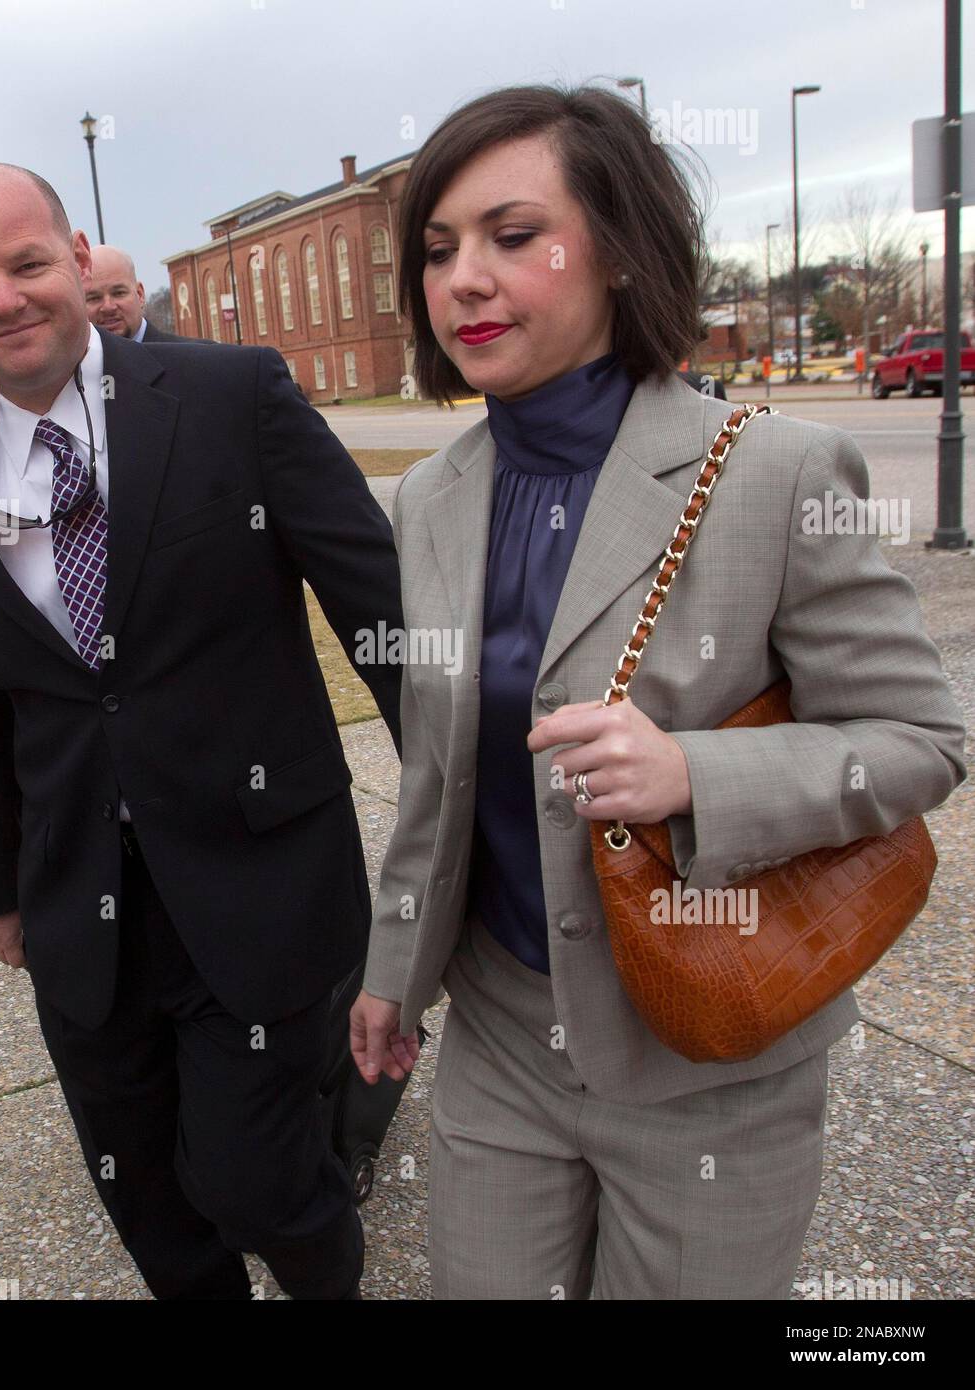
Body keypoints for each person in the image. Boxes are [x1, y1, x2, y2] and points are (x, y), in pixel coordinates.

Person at [350, 84, 967, 1300]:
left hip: (710, 1051)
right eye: (437, 249)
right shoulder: (429, 498)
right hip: (501, 1041)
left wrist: (694, 774)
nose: (463, 277)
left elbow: (921, 740)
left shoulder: (775, 471)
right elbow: (441, 775)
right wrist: (392, 968)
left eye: (511, 236)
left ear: (619, 251)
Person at [0, 162, 404, 1301]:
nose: (5, 297)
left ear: (78, 261)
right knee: (148, 1196)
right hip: (82, 911)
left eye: (28, 263)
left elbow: (381, 614)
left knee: (257, 1181)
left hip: (260, 879)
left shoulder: (232, 398)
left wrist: (453, 830)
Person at [85, 244, 179, 342]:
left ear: (140, 295)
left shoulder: (189, 356)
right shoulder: (74, 357)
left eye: (118, 293)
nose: (108, 307)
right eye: (94, 298)